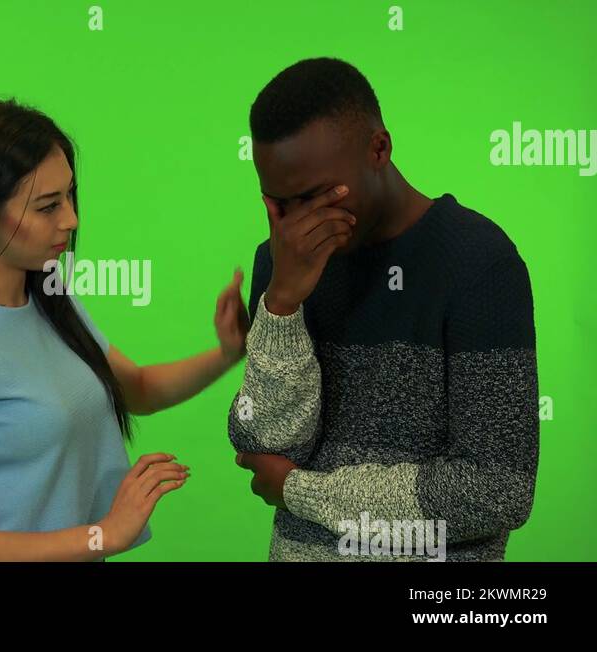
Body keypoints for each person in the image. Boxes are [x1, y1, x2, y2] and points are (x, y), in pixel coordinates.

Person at [0, 99, 250, 561]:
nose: (71, 219)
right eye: (47, 206)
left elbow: (138, 388)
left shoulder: (54, 299)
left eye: (70, 196)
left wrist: (228, 353)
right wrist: (104, 534)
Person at [230, 57, 539, 561]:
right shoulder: (281, 260)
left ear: (379, 148)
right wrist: (281, 305)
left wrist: (301, 492)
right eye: (278, 202)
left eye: (314, 196)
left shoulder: (478, 262)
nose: (297, 222)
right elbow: (265, 446)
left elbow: (496, 489)